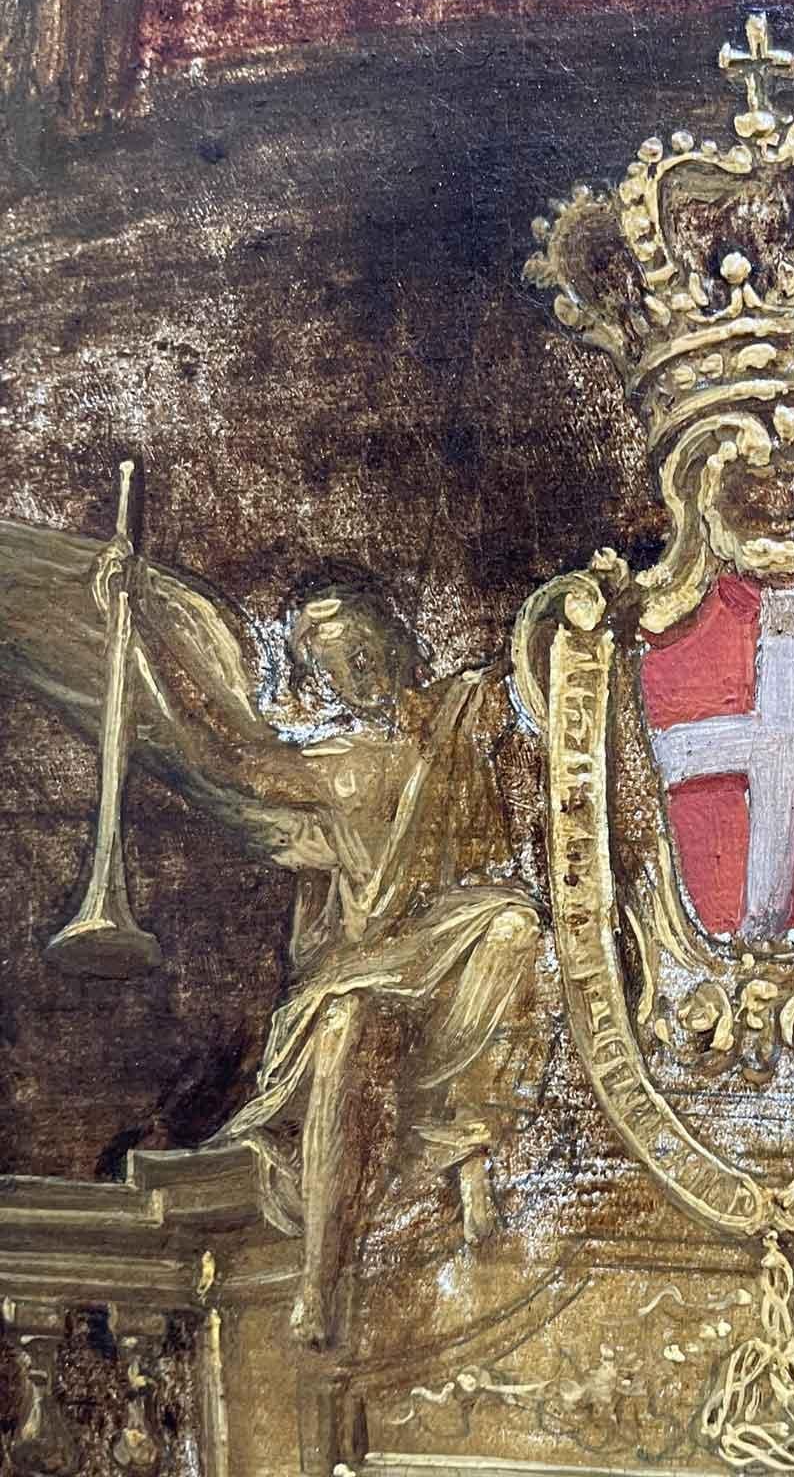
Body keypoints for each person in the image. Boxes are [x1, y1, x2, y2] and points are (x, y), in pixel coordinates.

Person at [0, 518, 541, 1349]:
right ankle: (327, 1281)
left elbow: (543, 693)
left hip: (447, 952)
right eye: (327, 658)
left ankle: (468, 1155)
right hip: (358, 977)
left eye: (358, 646)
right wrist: (136, 623)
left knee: (509, 924)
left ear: (392, 641)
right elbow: (213, 747)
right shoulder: (322, 766)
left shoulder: (461, 720)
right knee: (346, 1022)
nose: (350, 668)